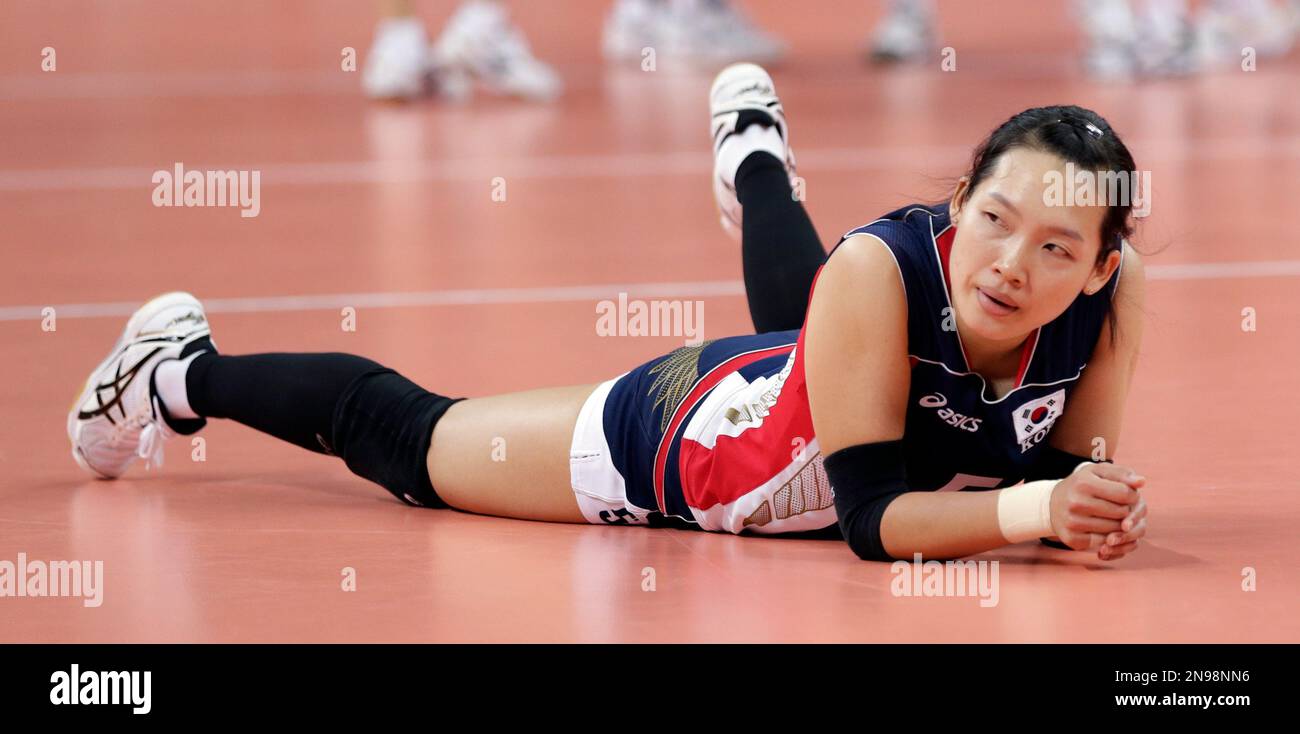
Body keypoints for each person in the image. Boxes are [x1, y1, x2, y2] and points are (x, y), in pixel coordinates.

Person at [68, 64, 1149, 562]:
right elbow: (871, 523)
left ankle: (755, 164)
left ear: (1101, 266)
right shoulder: (887, 267)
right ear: (959, 200)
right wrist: (1038, 518)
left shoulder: (1106, 304)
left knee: (825, 325)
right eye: (995, 219)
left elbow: (1052, 465)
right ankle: (176, 367)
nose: (1011, 263)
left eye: (1056, 246)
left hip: (829, 387)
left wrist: (1082, 497)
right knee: (417, 439)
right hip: (696, 444)